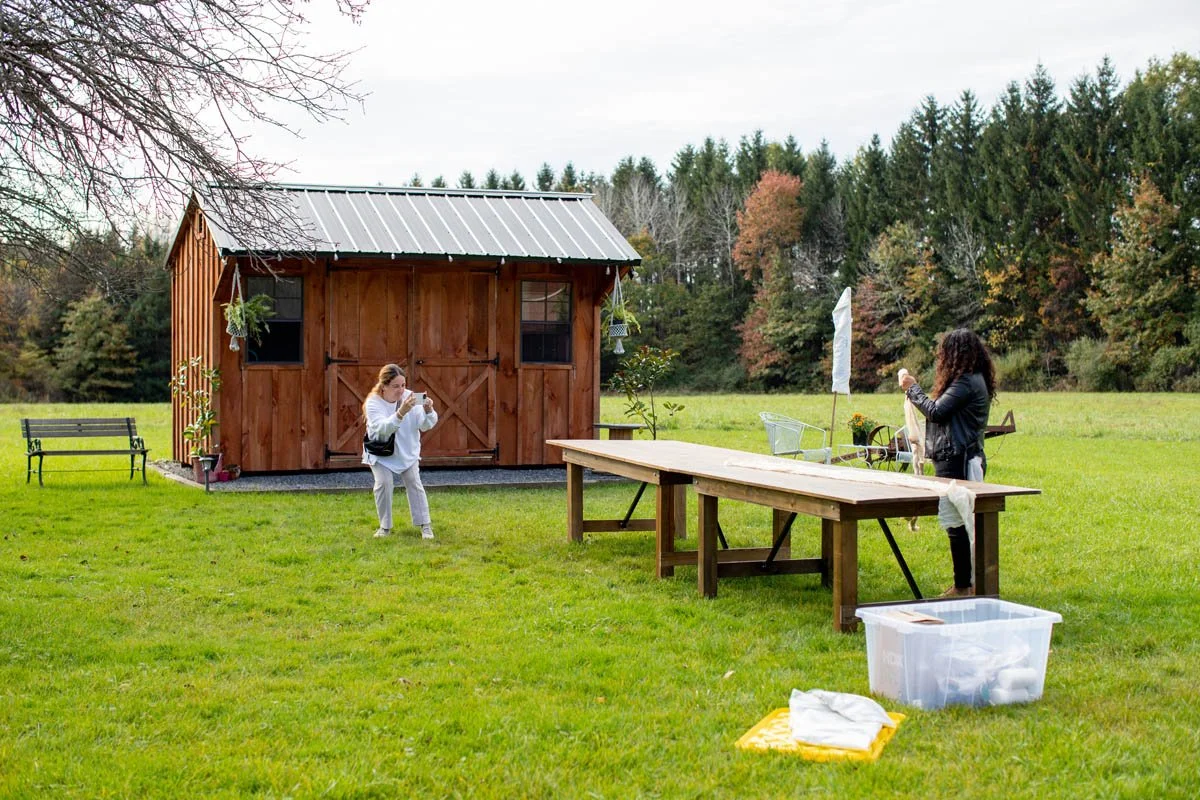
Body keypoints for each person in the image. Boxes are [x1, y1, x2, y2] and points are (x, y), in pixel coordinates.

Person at [898, 329, 996, 598]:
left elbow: (936, 411)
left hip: (958, 460)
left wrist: (912, 389)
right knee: (960, 524)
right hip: (961, 456)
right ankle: (967, 584)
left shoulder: (966, 383)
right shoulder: (974, 380)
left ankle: (963, 586)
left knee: (957, 526)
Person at [362, 364, 439, 540]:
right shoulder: (373, 402)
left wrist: (429, 411)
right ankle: (385, 527)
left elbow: (425, 425)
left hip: (407, 452)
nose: (401, 390)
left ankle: (425, 526)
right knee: (384, 484)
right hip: (381, 453)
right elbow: (382, 429)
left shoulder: (413, 397)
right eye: (396, 386)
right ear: (384, 386)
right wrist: (401, 412)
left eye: (403, 385)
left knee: (414, 482)